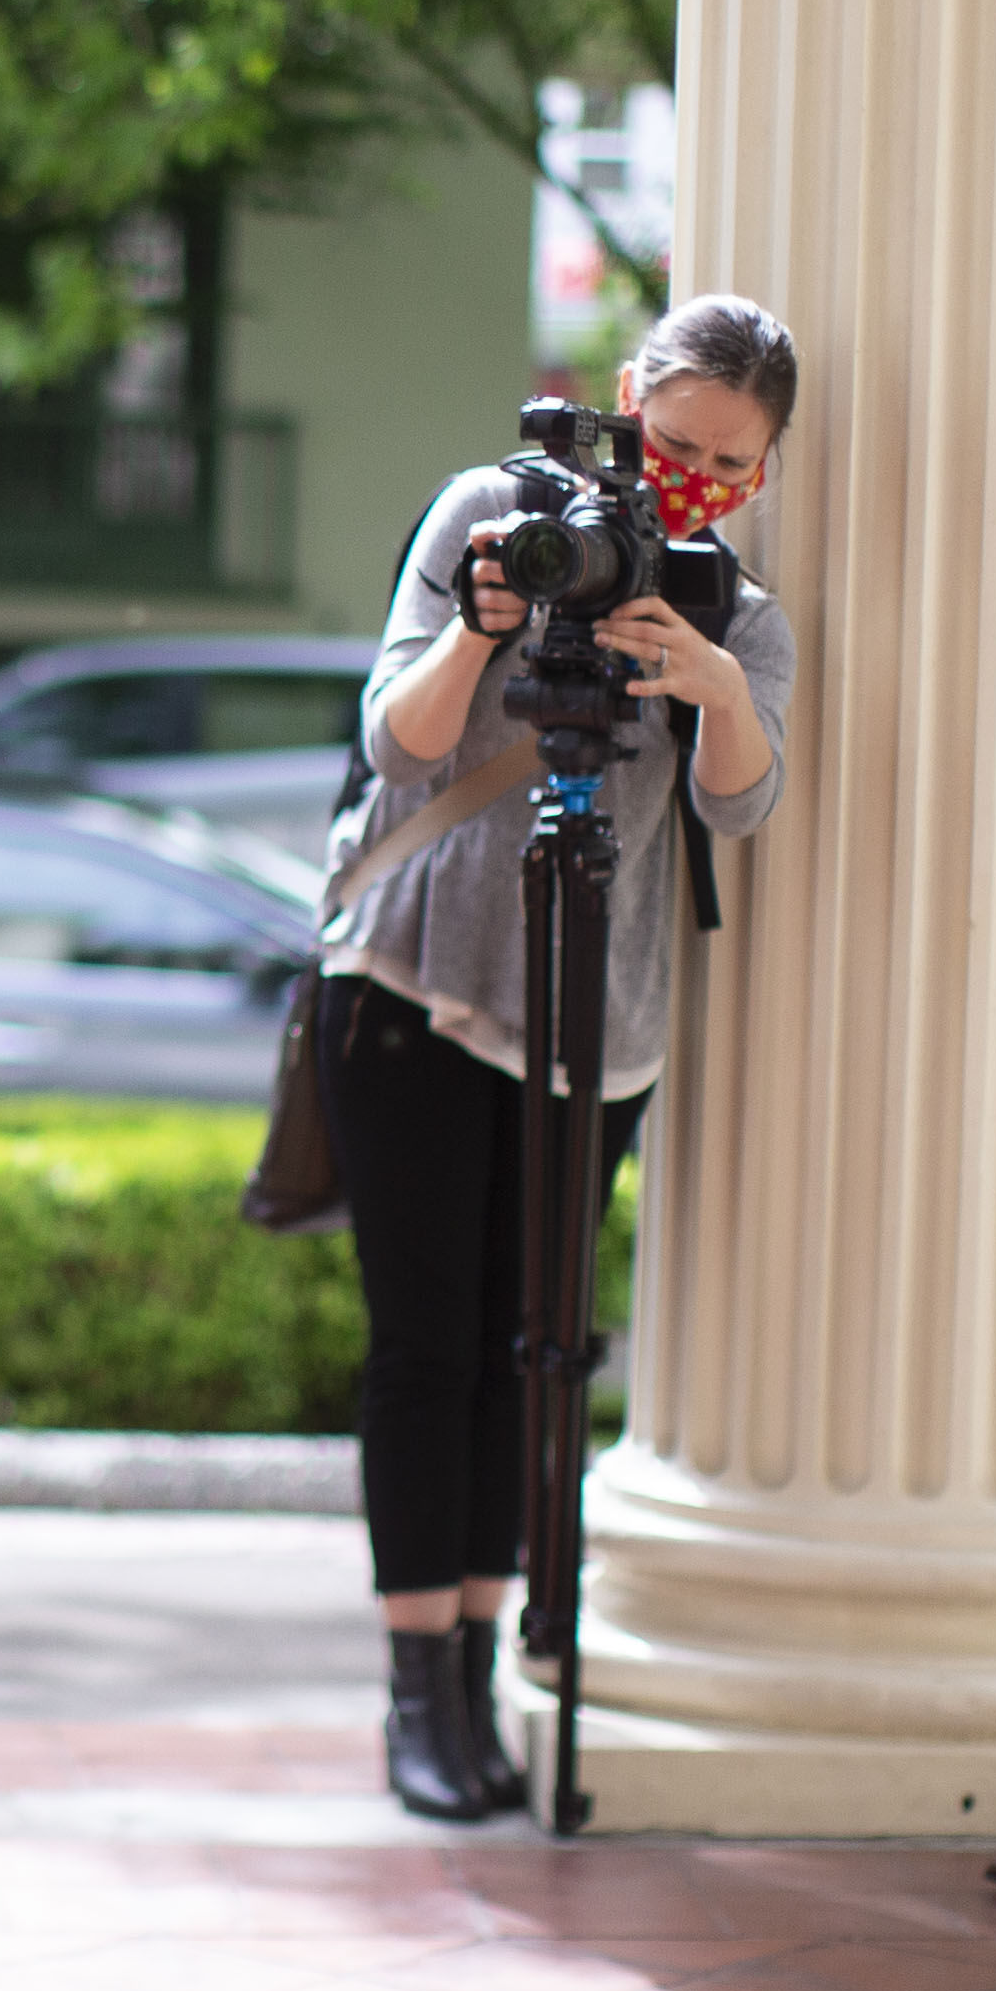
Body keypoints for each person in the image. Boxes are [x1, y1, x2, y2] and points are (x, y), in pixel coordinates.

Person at [316, 298, 800, 1821]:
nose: (692, 478)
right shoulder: (495, 516)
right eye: (672, 442)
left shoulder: (737, 611)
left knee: (531, 1350)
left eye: (729, 462)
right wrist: (482, 625)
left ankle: (490, 1662)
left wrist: (713, 685)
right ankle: (422, 1684)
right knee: (425, 1345)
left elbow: (739, 806)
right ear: (623, 401)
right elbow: (398, 741)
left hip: (594, 1018)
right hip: (415, 976)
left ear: (765, 470)